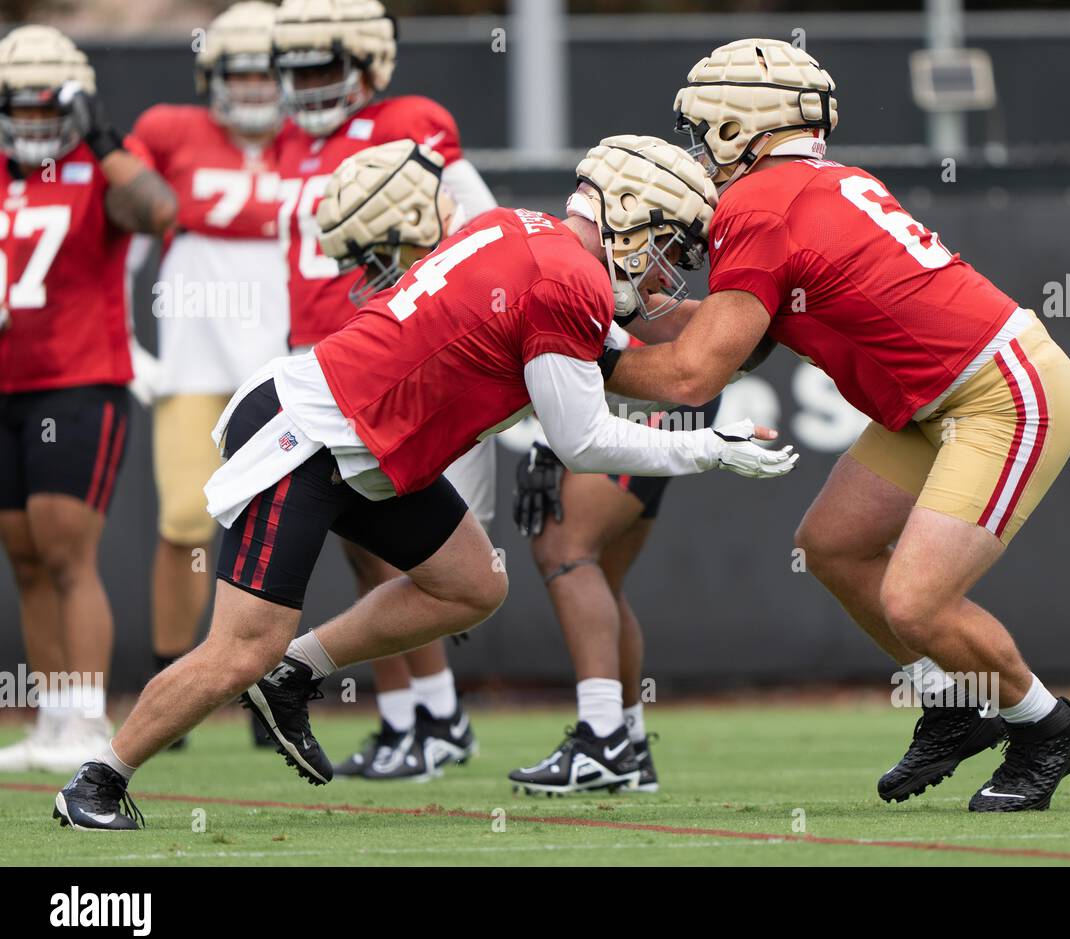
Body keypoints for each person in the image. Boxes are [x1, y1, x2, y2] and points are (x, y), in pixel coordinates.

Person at [53, 134, 798, 830]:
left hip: (367, 442)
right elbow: (583, 440)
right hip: (311, 435)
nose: (669, 271)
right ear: (631, 218)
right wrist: (710, 449)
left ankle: (293, 675)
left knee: (472, 582)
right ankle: (98, 780)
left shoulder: (525, 231)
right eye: (669, 246)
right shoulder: (565, 277)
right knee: (240, 645)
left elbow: (610, 366)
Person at [605, 38, 1070, 812]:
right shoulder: (810, 185)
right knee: (832, 546)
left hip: (1000, 391)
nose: (698, 149)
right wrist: (627, 319)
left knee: (916, 601)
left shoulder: (756, 205)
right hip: (937, 398)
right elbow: (738, 336)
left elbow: (698, 371)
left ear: (741, 127)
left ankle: (1047, 726)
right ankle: (956, 699)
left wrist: (581, 356)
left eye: (704, 130)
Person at [272, 0, 501, 775]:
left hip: (394, 365)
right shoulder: (294, 145)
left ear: (369, 60)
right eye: (294, 69)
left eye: (322, 66)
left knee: (415, 557)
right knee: (367, 555)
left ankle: (437, 719)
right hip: (328, 362)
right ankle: (408, 717)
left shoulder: (410, 119)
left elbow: (479, 225)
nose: (305, 86)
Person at [0, 26, 177, 773]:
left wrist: (104, 140)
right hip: (6, 382)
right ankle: (52, 720)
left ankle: (87, 717)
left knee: (67, 550)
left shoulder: (100, 167)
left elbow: (160, 210)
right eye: (20, 111)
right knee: (26, 557)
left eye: (50, 112)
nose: (34, 127)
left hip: (78, 379)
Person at [129, 3, 290, 749]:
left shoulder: (315, 142)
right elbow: (117, 224)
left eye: (271, 70)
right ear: (212, 76)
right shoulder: (169, 131)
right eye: (243, 71)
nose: (258, 87)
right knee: (184, 525)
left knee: (286, 523)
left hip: (289, 365)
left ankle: (265, 683)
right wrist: (128, 341)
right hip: (195, 361)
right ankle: (173, 685)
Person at [508, 358, 722, 795]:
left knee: (564, 550)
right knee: (599, 573)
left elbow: (597, 332)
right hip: (653, 389)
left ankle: (603, 740)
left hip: (649, 389)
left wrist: (551, 443)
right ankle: (629, 745)